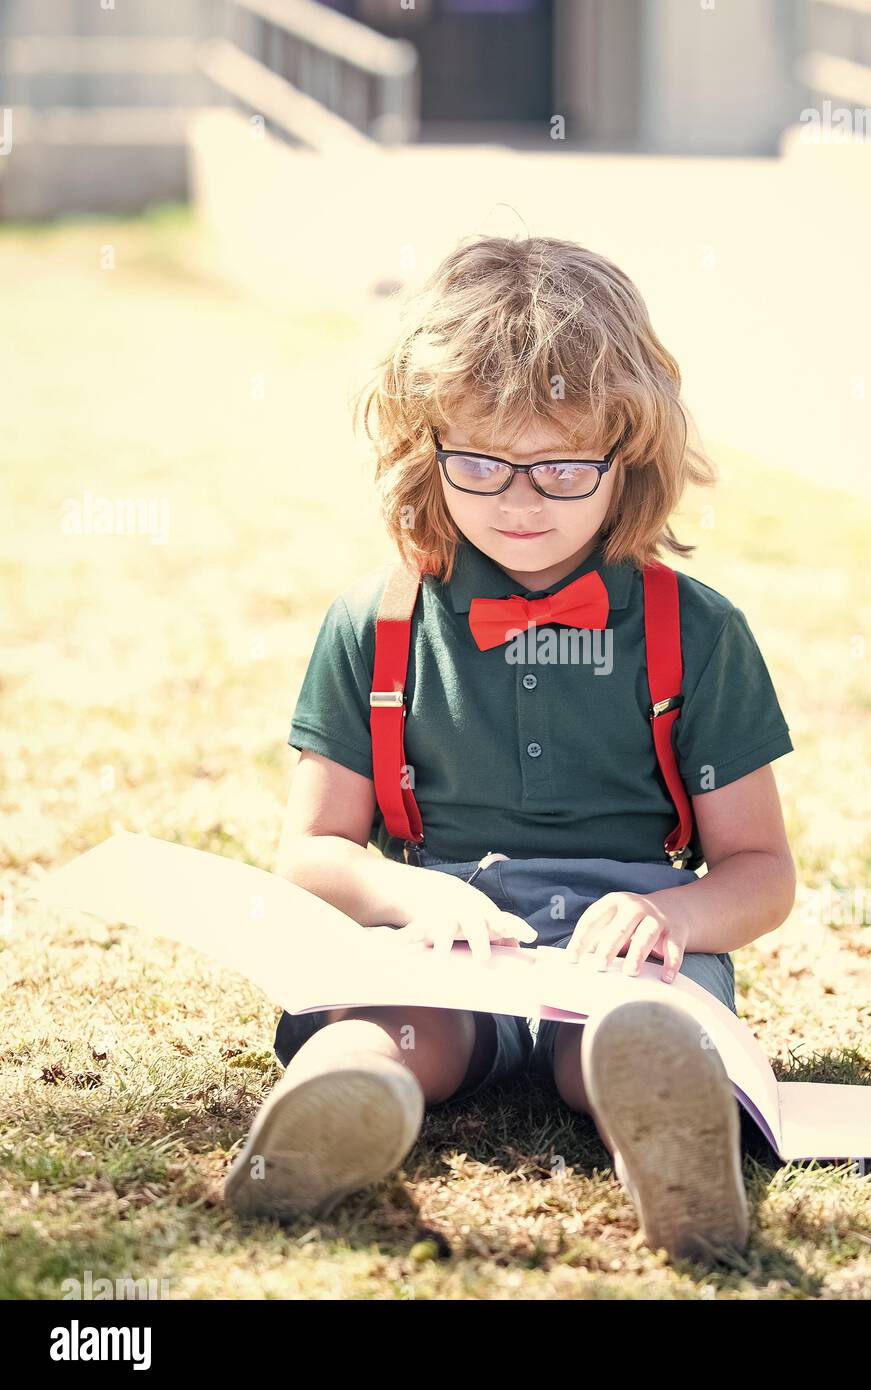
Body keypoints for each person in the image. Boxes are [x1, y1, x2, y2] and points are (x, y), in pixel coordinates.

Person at [224, 235, 797, 1263]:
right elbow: (313, 850)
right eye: (480, 463)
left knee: (630, 1038)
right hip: (448, 940)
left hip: (628, 954)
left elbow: (759, 875)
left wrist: (664, 912)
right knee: (395, 1031)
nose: (519, 500)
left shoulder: (696, 631)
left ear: (629, 460)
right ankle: (333, 1113)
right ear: (423, 444)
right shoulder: (375, 622)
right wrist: (411, 898)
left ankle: (666, 1145)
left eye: (561, 467)